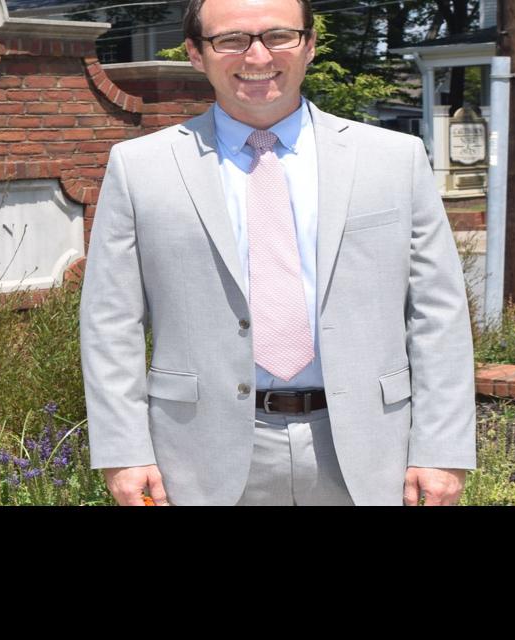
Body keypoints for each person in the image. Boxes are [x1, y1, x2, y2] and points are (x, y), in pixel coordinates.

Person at [78, 0, 476, 506]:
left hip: (371, 448)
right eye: (231, 40)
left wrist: (441, 447)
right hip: (199, 454)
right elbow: (111, 321)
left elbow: (438, 313)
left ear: (309, 45)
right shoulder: (139, 168)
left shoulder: (393, 160)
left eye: (279, 36)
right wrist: (124, 450)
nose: (259, 56)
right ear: (197, 54)